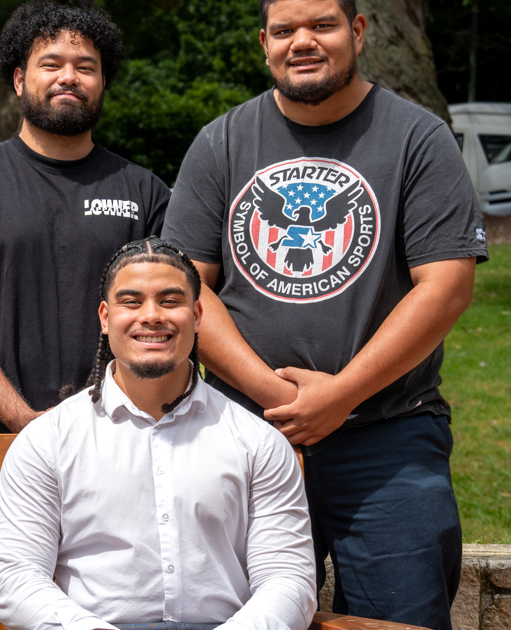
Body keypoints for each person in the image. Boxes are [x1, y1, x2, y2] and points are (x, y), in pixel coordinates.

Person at [161, 1, 486, 627]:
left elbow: (445, 288)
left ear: (357, 32)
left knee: (401, 620)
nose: (302, 42)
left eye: (322, 25)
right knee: (238, 618)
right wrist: (276, 395)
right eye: (285, 30)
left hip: (388, 435)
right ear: (264, 42)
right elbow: (185, 289)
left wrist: (341, 395)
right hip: (246, 433)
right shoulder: (222, 141)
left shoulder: (418, 138)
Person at [0, 0, 170, 569]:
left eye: (86, 66)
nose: (69, 77)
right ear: (18, 79)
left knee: (116, 605)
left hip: (120, 450)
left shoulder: (144, 191)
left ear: (103, 82)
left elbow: (164, 323)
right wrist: (24, 422)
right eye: (51, 63)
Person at [0, 238, 316, 630]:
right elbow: (15, 577)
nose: (152, 316)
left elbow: (288, 579)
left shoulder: (257, 442)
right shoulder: (47, 441)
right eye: (132, 301)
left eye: (170, 301)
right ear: (105, 317)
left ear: (197, 315)